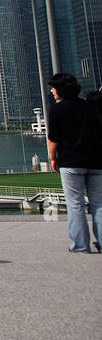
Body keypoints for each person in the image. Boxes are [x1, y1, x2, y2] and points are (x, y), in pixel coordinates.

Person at [46, 72, 101, 253]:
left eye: (53, 88)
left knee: (75, 204)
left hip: (70, 162)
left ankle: (80, 245)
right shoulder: (90, 106)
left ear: (60, 89)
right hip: (96, 161)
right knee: (99, 204)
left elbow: (53, 138)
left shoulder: (56, 109)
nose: (52, 91)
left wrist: (53, 158)